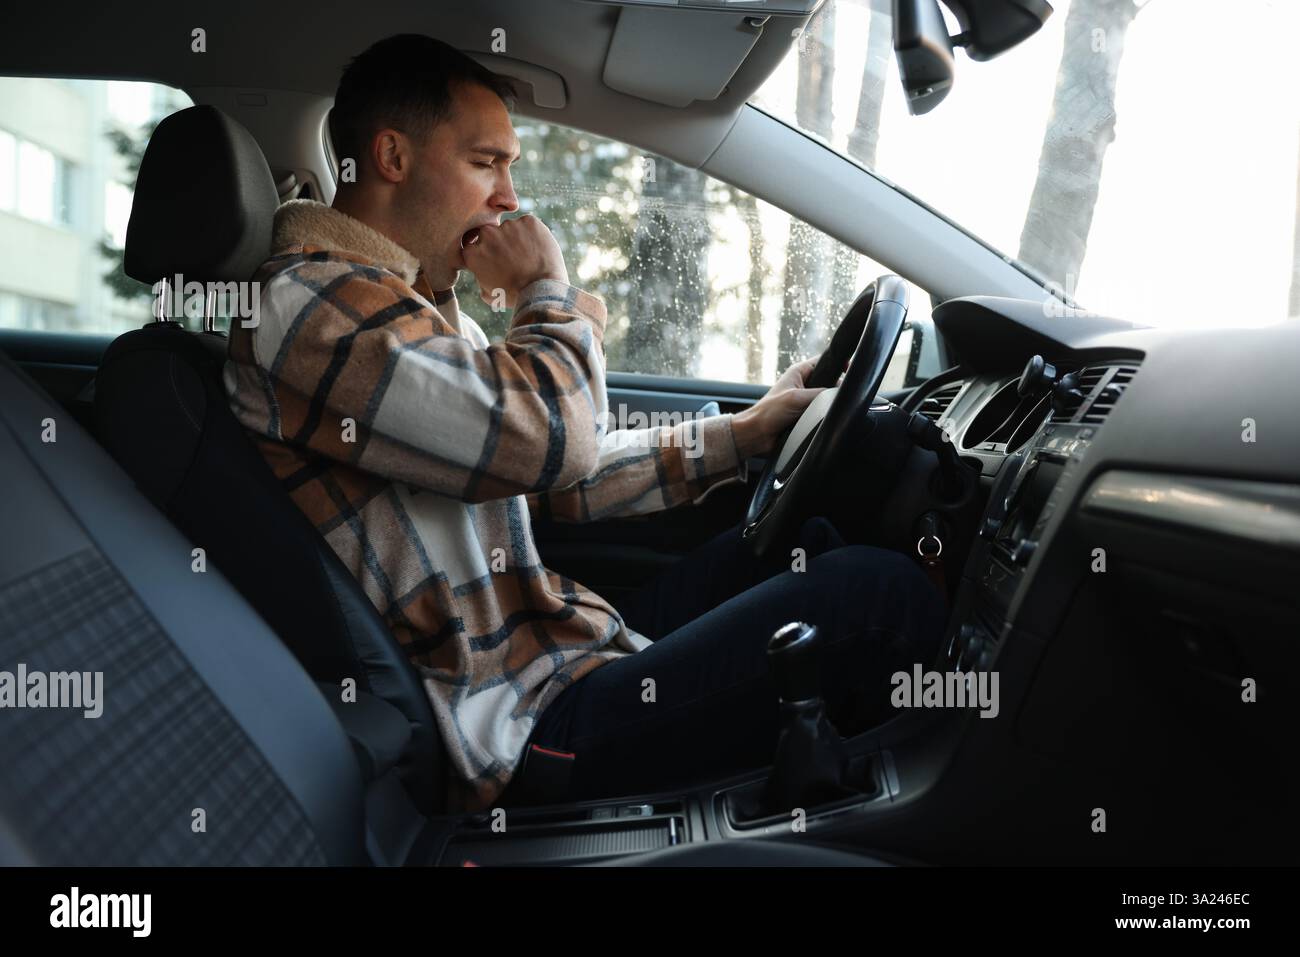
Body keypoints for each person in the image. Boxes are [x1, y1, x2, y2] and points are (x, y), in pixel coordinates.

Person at [224, 33, 945, 812]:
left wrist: (748, 433)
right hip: (517, 725)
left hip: (553, 648)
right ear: (393, 156)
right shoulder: (309, 305)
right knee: (878, 598)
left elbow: (557, 482)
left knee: (809, 550)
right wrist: (543, 287)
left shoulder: (413, 307)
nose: (507, 196)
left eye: (509, 169)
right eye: (485, 163)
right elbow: (548, 441)